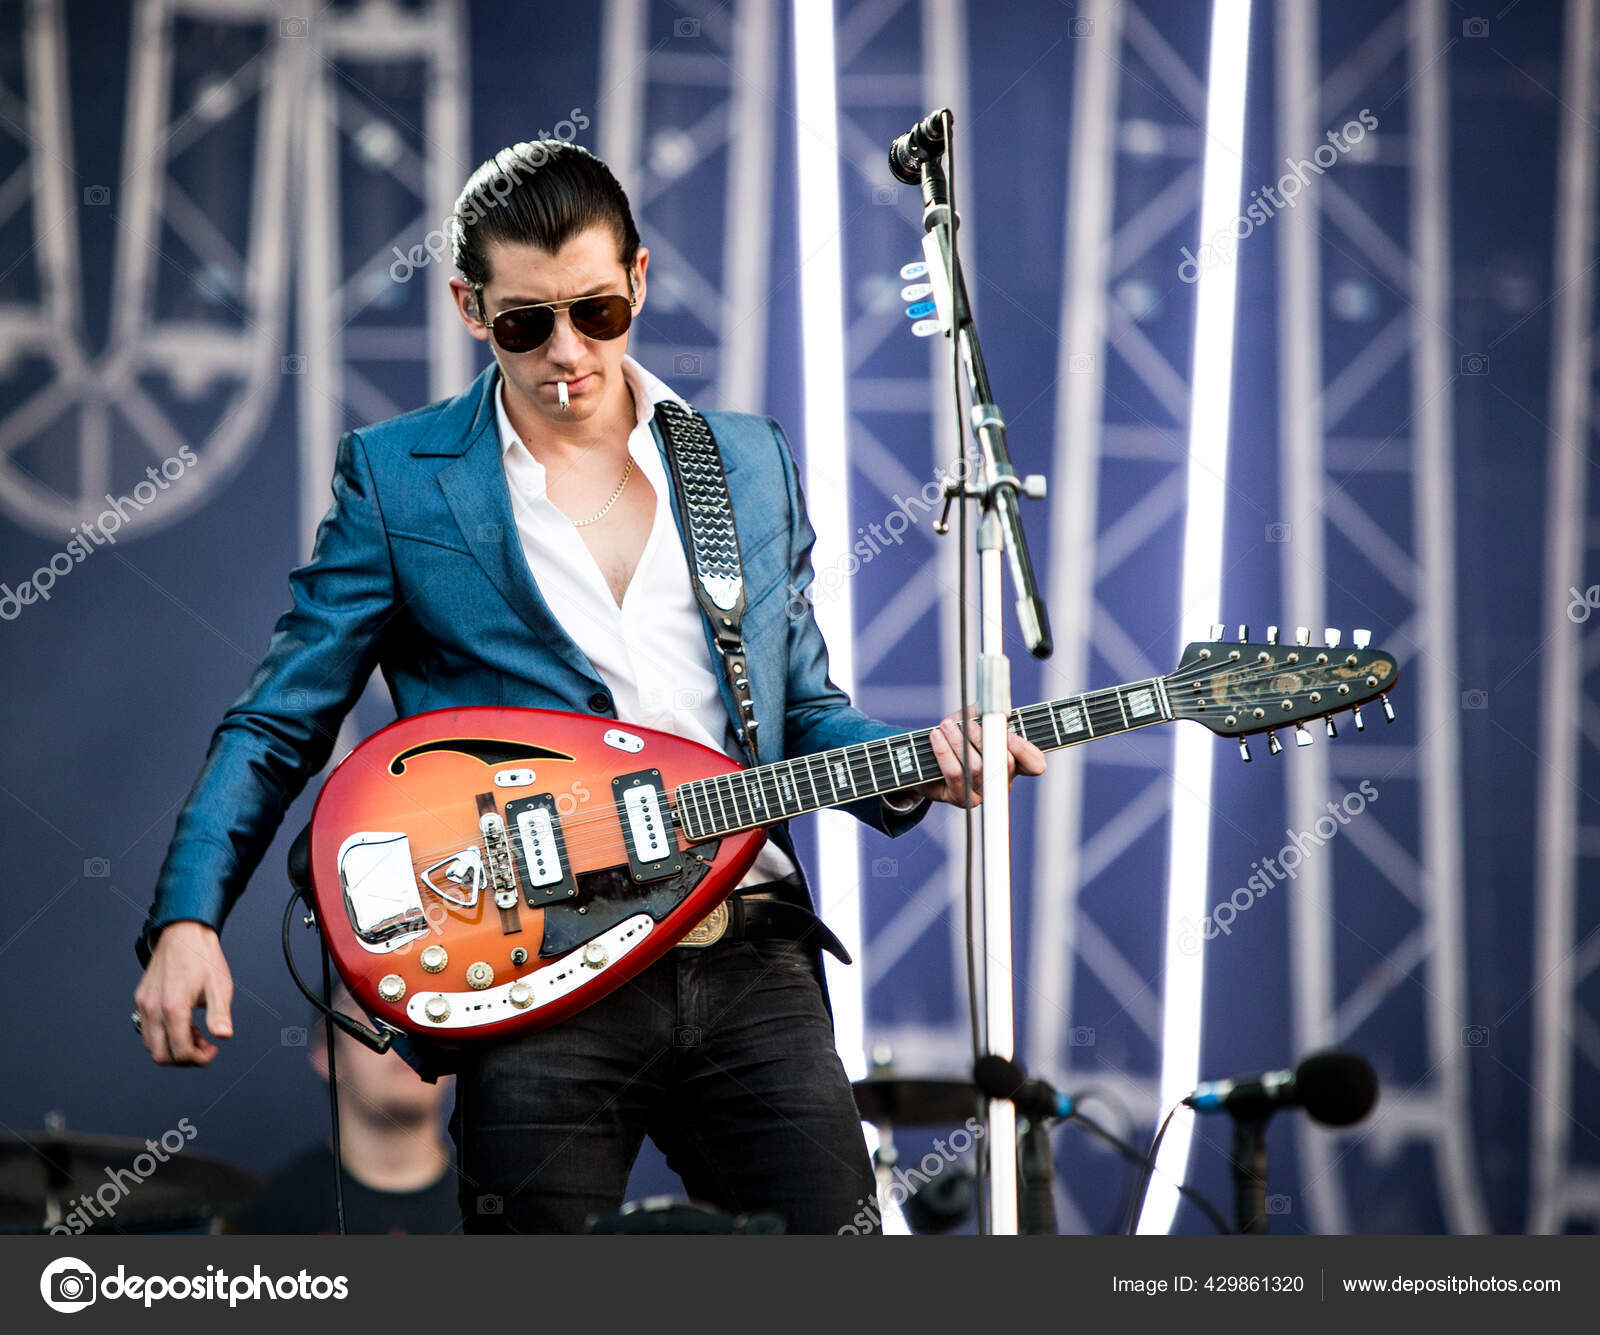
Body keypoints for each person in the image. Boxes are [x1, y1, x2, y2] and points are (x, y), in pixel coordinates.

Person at [132, 139, 1046, 1234]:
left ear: (640, 281)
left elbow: (797, 713)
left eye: (597, 313)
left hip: (746, 944)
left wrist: (917, 766)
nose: (566, 351)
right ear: (471, 306)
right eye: (526, 323)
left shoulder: (741, 461)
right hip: (533, 970)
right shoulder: (398, 476)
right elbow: (276, 724)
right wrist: (188, 918)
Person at [235, 984, 458, 1234]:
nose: (405, 1035)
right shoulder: (271, 1215)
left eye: (425, 1013)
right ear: (327, 1052)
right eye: (378, 1016)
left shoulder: (499, 1205)